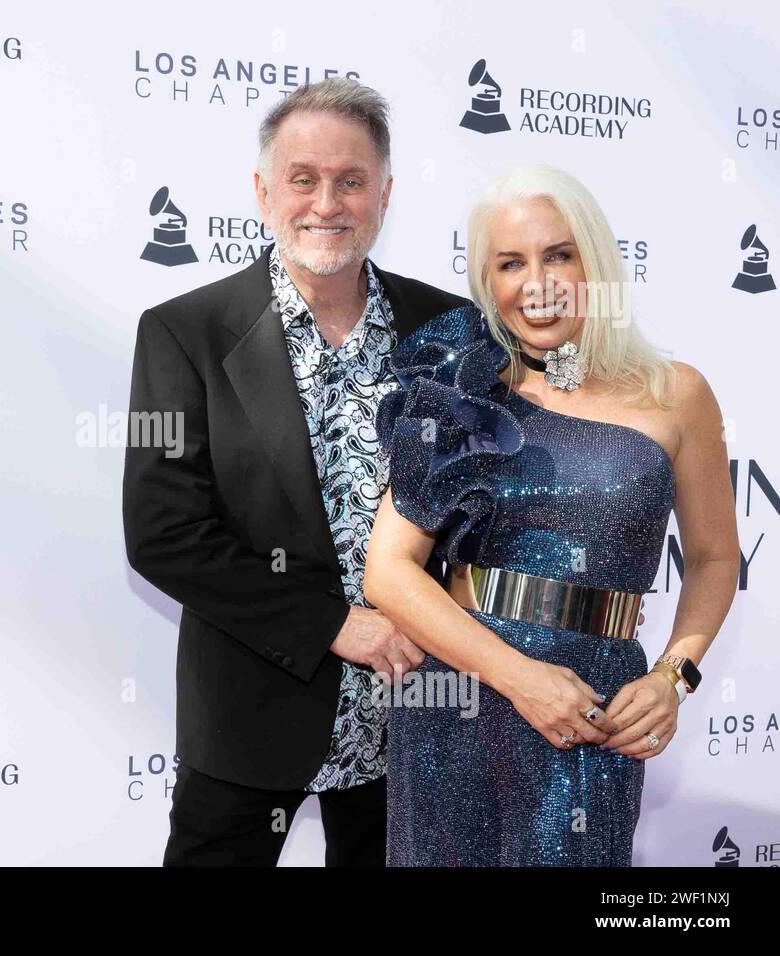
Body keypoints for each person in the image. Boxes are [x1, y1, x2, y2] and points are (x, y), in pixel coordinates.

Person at [122, 78, 468, 866]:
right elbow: (161, 534)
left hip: (413, 720)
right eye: (303, 179)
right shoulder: (183, 333)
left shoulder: (449, 331)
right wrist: (332, 626)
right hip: (249, 719)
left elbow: (480, 515)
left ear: (384, 193)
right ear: (262, 191)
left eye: (351, 181)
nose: (327, 203)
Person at [363, 164, 739, 866]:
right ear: (487, 281)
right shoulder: (460, 392)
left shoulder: (677, 395)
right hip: (460, 696)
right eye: (511, 263)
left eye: (559, 254)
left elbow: (717, 559)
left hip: (598, 707)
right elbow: (388, 572)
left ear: (594, 259)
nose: (537, 283)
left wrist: (672, 677)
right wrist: (520, 677)